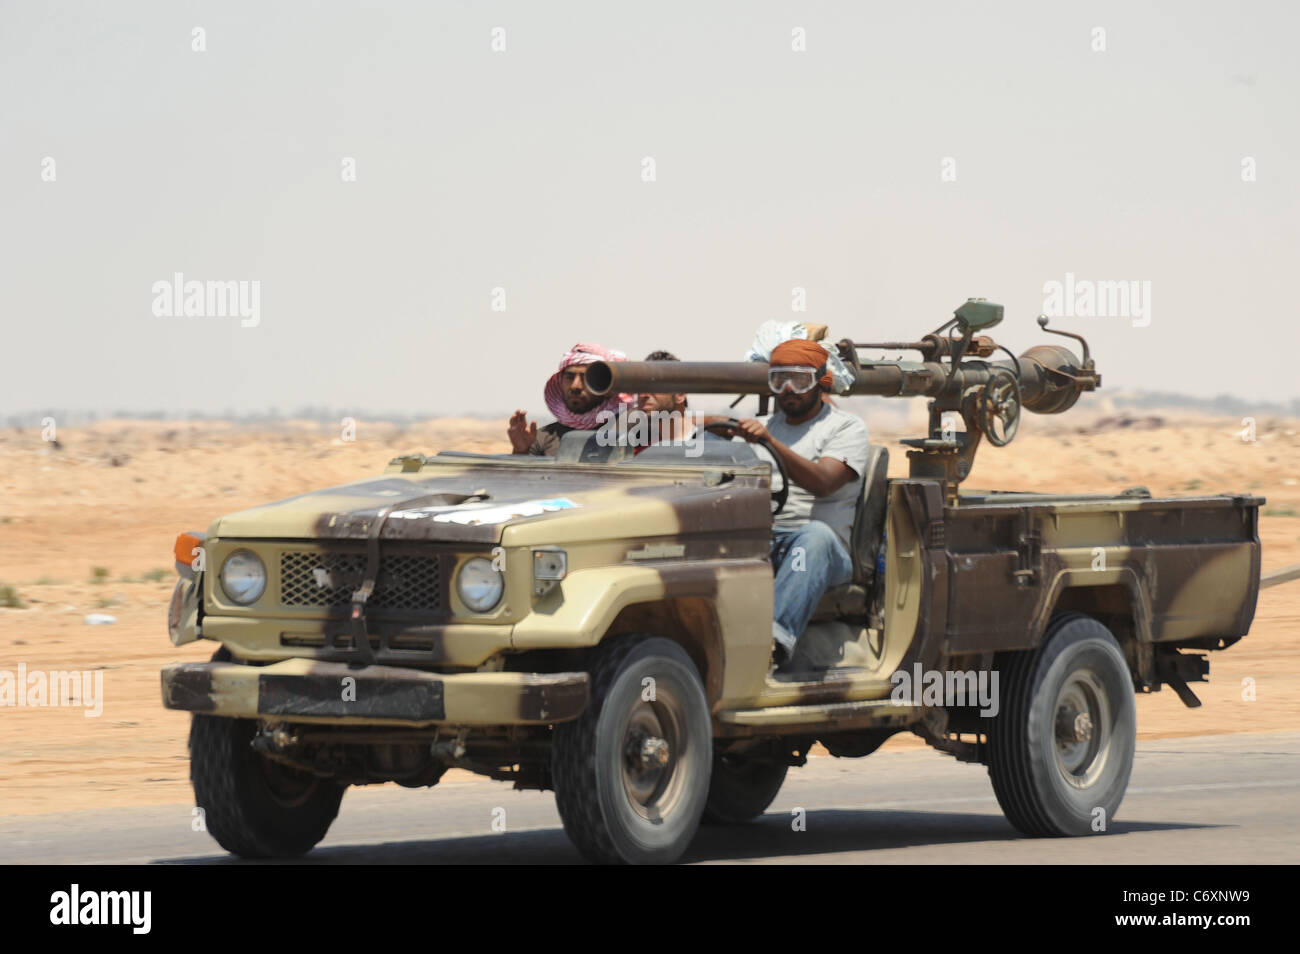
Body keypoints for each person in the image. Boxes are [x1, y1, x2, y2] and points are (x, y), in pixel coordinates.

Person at [729, 339, 871, 669]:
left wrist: (770, 443)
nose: (789, 389)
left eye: (800, 380)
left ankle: (769, 648)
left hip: (824, 554)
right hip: (766, 541)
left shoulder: (847, 429)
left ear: (820, 380)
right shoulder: (762, 428)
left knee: (815, 537)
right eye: (779, 381)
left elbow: (824, 482)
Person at [508, 342, 629, 455]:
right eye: (569, 377)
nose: (575, 386)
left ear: (607, 386)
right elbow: (521, 476)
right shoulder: (541, 438)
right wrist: (521, 451)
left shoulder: (630, 432)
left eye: (586, 378)